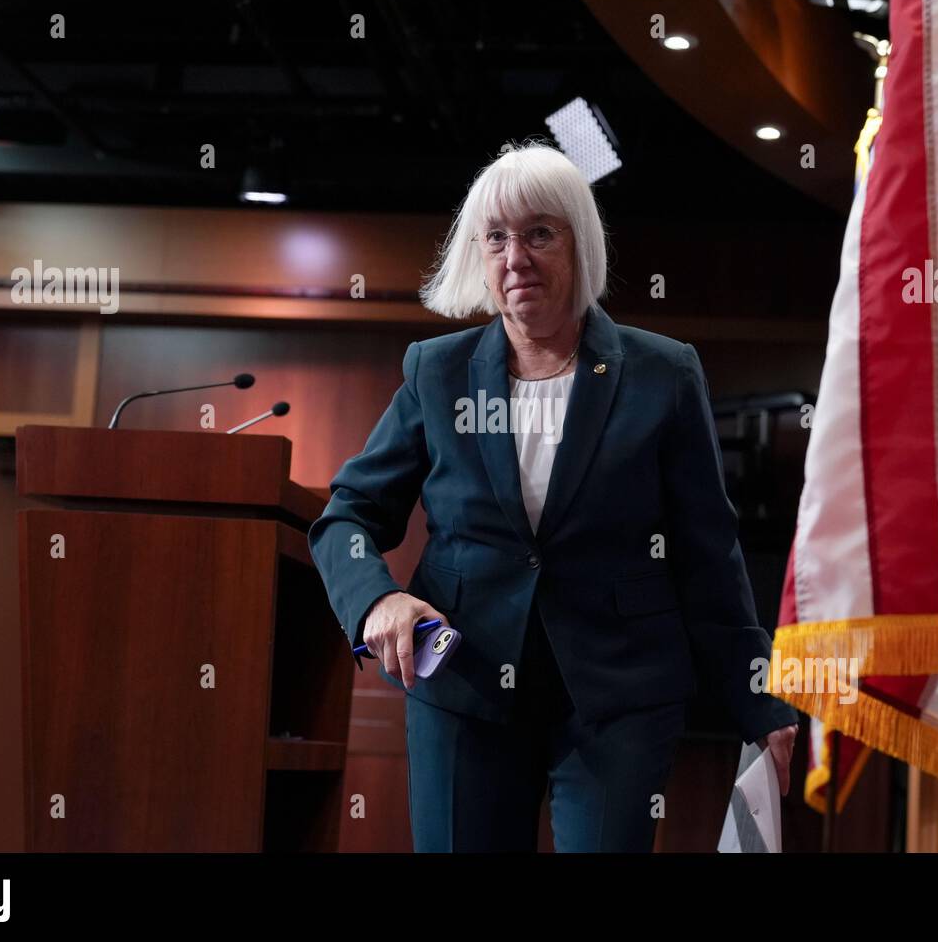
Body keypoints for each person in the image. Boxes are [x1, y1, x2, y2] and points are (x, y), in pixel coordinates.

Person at [309, 141, 798, 852]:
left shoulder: (663, 373)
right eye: (497, 237)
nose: (517, 257)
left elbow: (706, 554)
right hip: (464, 689)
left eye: (540, 232)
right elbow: (348, 515)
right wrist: (376, 600)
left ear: (580, 243)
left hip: (619, 697)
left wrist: (756, 692)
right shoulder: (436, 372)